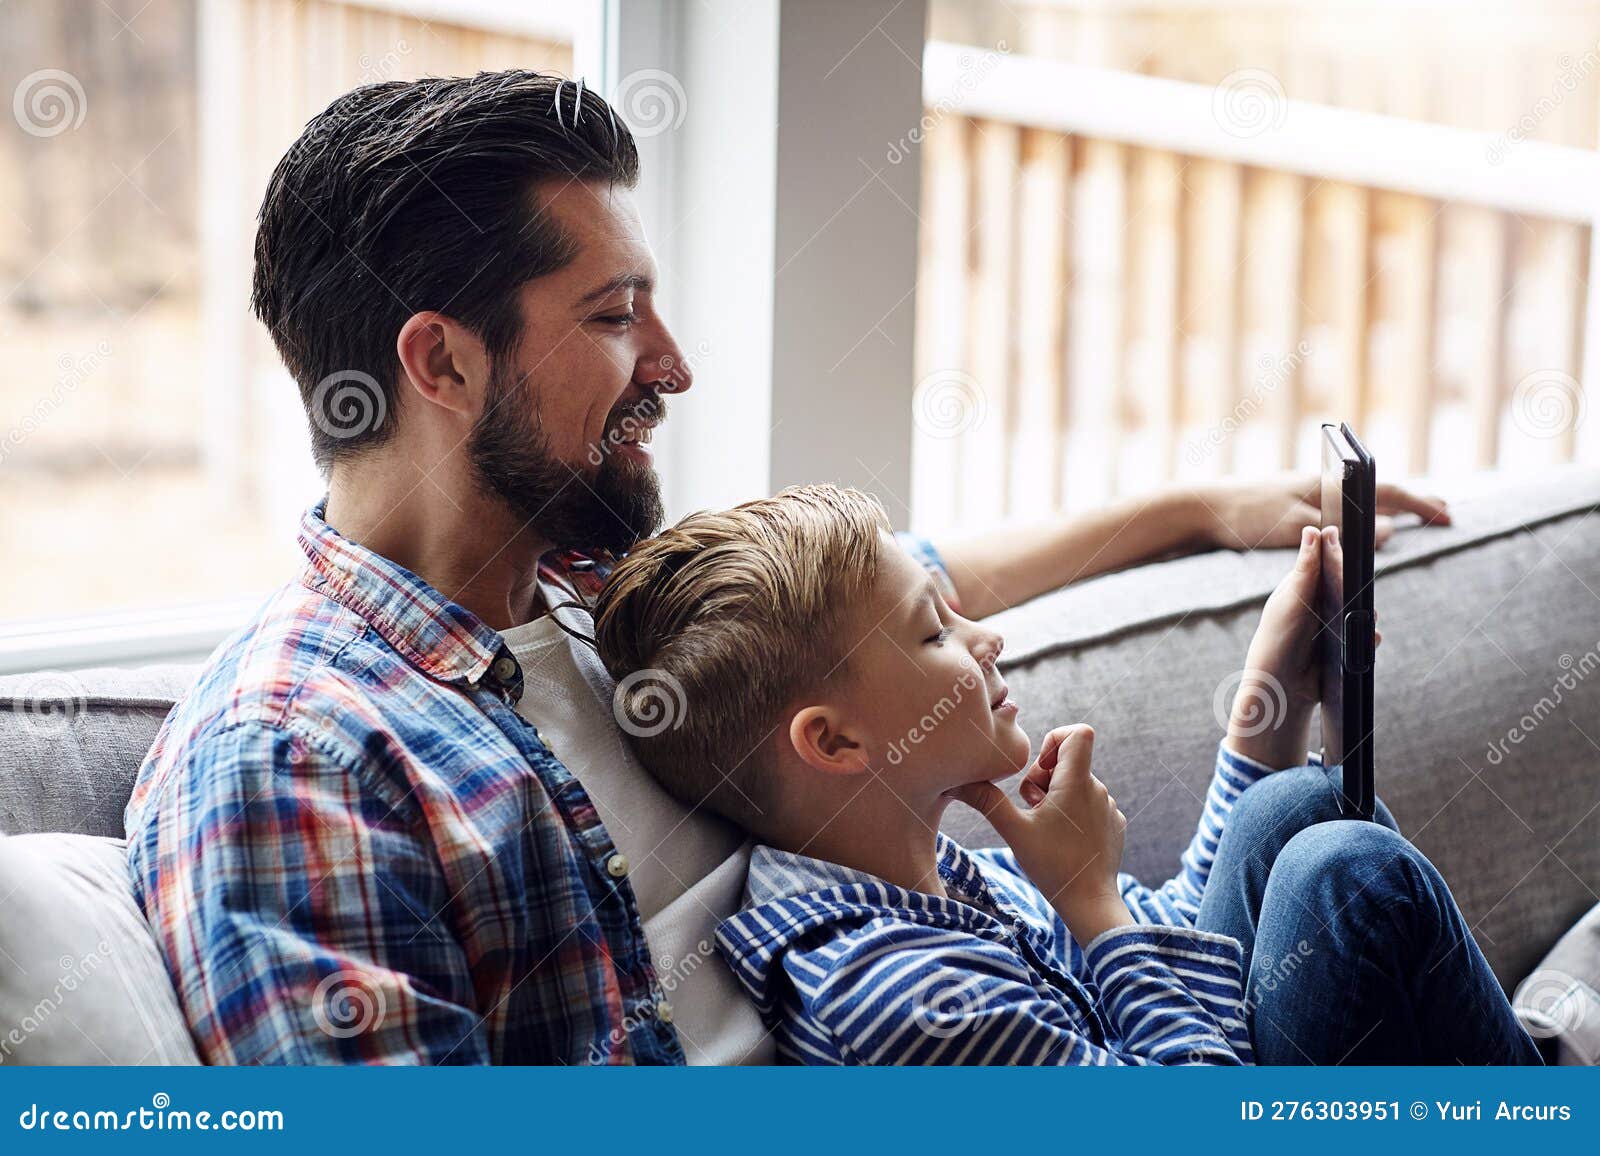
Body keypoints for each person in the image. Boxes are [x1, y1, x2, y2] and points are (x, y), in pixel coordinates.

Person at [124, 70, 1451, 1064]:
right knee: (1344, 880)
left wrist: (1203, 511)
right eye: (612, 316)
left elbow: (894, 598)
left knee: (1299, 822)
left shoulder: (601, 592)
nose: (675, 366)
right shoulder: (298, 759)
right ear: (442, 363)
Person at [591, 484, 1541, 1065]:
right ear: (836, 744)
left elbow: (1164, 952)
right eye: (934, 632)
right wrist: (1089, 901)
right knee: (1342, 876)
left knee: (1295, 805)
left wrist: (1267, 708)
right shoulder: (901, 1000)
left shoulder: (934, 878)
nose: (987, 637)